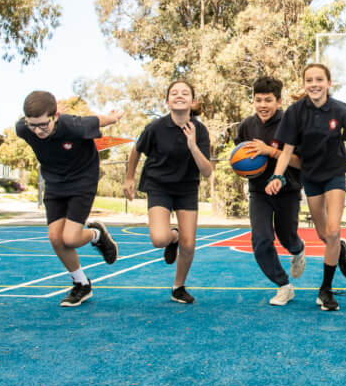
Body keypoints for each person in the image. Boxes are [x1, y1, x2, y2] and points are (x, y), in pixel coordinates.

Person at [266, 64, 346, 312]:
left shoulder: (342, 110)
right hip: (310, 177)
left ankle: (325, 290)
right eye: (309, 80)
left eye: (319, 79)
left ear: (329, 83)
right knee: (324, 235)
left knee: (333, 230)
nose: (314, 84)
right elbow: (287, 150)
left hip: (335, 175)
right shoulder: (295, 112)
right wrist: (277, 176)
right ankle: (340, 250)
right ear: (304, 84)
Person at [16, 91, 122, 307]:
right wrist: (35, 126)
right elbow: (32, 127)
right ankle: (81, 284)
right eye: (32, 125)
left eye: (43, 125)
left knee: (71, 239)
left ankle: (97, 234)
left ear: (55, 116)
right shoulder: (23, 129)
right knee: (56, 238)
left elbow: (98, 121)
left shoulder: (73, 125)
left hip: (82, 180)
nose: (38, 131)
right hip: (55, 184)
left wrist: (112, 118)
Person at [123, 81, 212, 304]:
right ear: (167, 101)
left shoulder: (200, 130)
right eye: (174, 93)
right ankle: (174, 236)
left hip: (186, 188)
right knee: (159, 239)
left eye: (185, 93)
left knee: (189, 245)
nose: (179, 96)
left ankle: (178, 287)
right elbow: (136, 149)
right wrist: (129, 178)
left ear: (192, 101)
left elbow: (207, 171)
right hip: (159, 185)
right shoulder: (155, 127)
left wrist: (193, 145)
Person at [236, 76, 306, 306]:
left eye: (268, 100)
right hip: (259, 192)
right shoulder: (246, 126)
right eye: (258, 100)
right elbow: (240, 158)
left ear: (278, 101)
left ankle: (298, 249)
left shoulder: (291, 123)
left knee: (287, 238)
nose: (263, 105)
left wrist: (270, 151)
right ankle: (284, 286)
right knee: (261, 239)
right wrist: (242, 168)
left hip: (288, 190)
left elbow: (301, 163)